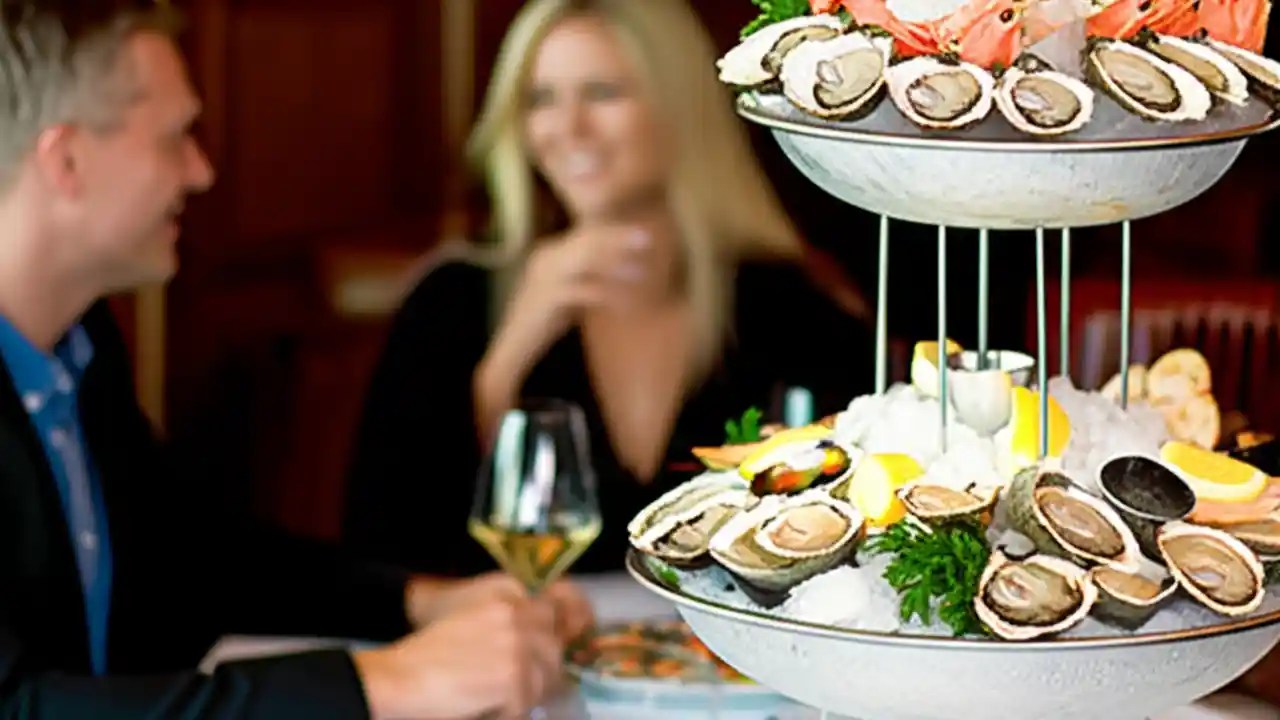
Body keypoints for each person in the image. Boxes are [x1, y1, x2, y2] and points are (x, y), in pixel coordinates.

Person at [0, 1, 589, 717]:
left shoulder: (78, 343)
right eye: (177, 138)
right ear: (66, 161)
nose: (201, 172)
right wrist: (390, 683)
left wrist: (422, 603)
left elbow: (192, 560)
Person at [342, 0, 876, 579]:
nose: (568, 128)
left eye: (602, 93)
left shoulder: (793, 304)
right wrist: (508, 359)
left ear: (681, 108)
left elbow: (865, 542)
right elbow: (385, 553)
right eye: (539, 99)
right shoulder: (452, 302)